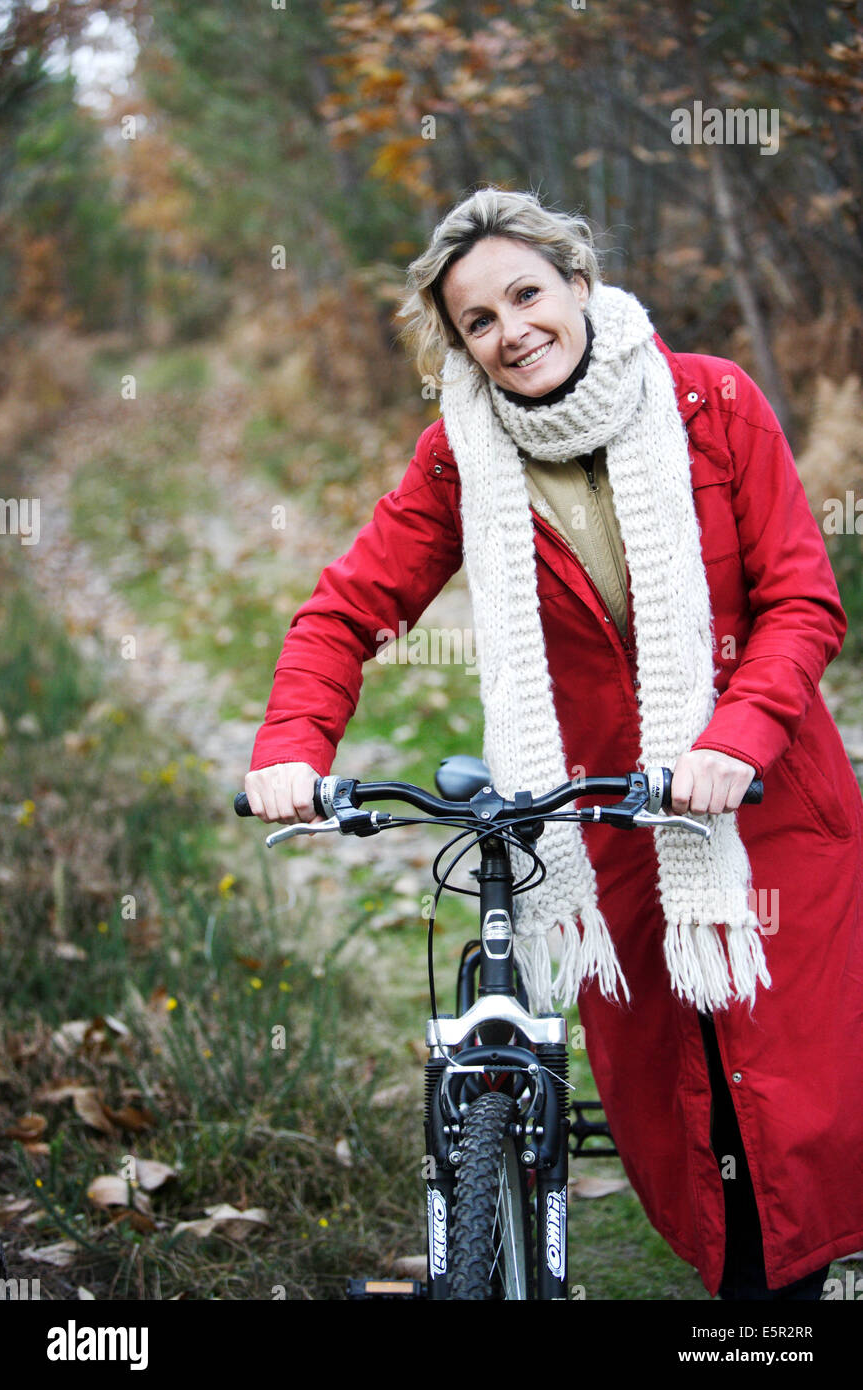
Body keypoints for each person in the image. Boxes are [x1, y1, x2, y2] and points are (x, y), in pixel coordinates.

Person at [245, 186, 863, 1301]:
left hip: (763, 800)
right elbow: (346, 611)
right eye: (476, 320)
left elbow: (801, 599)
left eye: (526, 293)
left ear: (578, 284)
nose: (509, 330)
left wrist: (732, 736)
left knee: (790, 1109)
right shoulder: (457, 461)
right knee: (679, 1107)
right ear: (458, 343)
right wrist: (292, 740)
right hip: (604, 818)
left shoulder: (709, 400)